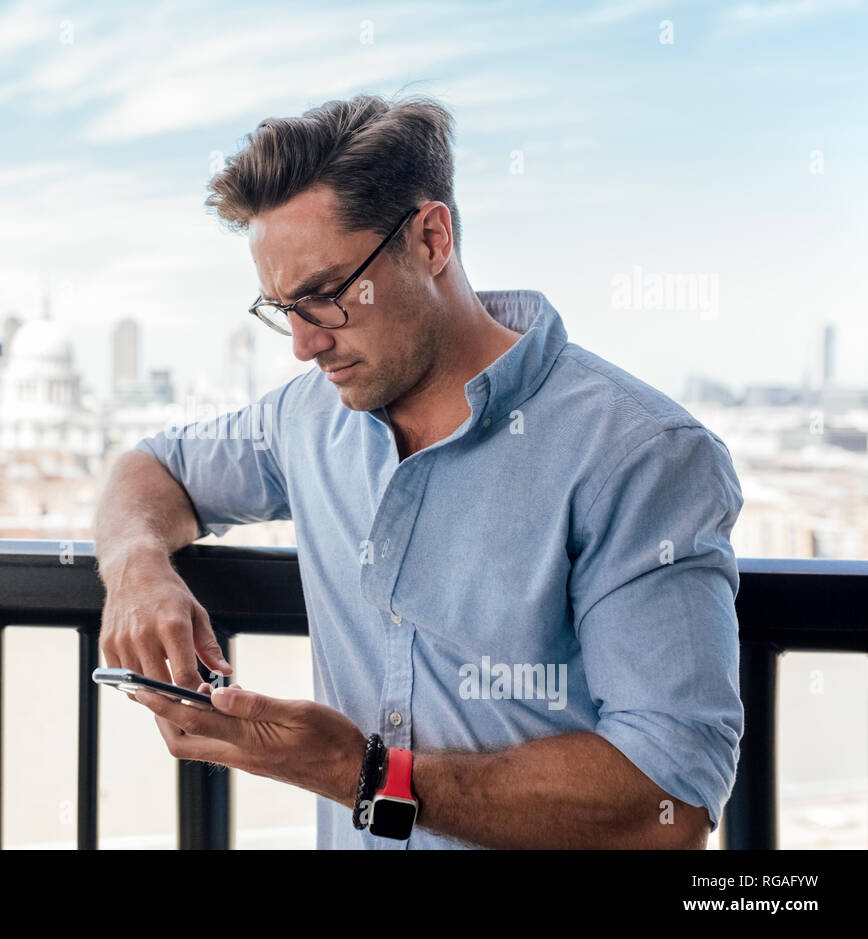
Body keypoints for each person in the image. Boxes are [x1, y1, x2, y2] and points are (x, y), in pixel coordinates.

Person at [92, 93, 744, 849]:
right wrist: (138, 567)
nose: (303, 345)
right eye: (282, 309)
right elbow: (150, 469)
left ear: (432, 240)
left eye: (327, 297)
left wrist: (364, 776)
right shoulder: (306, 418)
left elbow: (670, 800)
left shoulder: (640, 451)